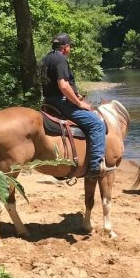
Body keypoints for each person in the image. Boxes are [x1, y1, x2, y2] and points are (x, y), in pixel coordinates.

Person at [40, 32, 106, 179]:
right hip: (62, 103)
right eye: (70, 47)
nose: (70, 50)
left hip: (48, 102)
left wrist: (75, 94)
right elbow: (63, 86)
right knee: (97, 124)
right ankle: (95, 165)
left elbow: (54, 85)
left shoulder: (47, 59)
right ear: (66, 47)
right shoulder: (60, 60)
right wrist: (79, 103)